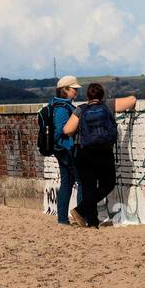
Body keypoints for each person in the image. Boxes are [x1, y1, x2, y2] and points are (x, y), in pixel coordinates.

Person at [63, 82, 136, 227]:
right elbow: (132, 100)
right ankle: (80, 210)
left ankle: (92, 222)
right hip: (104, 152)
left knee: (89, 187)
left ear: (88, 96)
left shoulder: (81, 109)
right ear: (102, 95)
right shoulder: (108, 105)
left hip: (85, 153)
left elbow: (66, 130)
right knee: (107, 184)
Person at [46, 76, 83, 225]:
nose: (76, 91)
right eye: (74, 89)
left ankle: (62, 218)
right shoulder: (62, 108)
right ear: (65, 90)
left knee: (67, 182)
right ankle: (82, 215)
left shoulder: (57, 105)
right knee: (81, 181)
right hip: (66, 149)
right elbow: (62, 130)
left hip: (61, 150)